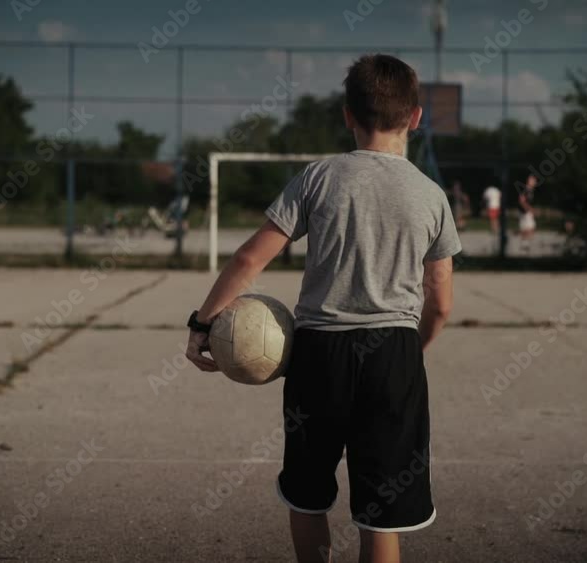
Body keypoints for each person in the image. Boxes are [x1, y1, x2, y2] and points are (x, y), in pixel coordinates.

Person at [184, 54, 460, 563]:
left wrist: (203, 323)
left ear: (347, 115)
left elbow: (250, 258)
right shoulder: (432, 196)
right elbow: (440, 302)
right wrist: (409, 349)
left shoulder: (318, 178)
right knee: (383, 514)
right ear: (416, 117)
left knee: (307, 493)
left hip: (319, 356)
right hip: (394, 356)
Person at [518, 174, 537, 247]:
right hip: (524, 212)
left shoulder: (530, 191)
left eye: (534, 181)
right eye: (533, 181)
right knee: (528, 228)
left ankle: (525, 243)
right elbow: (521, 200)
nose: (534, 182)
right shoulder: (525, 190)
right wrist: (529, 209)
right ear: (528, 181)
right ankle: (525, 243)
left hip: (527, 212)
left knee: (529, 228)